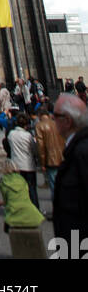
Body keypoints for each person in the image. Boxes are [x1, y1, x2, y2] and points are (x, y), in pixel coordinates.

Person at [51, 92, 88, 246]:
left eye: (55, 115)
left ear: (67, 121)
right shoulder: (75, 149)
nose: (52, 119)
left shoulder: (82, 152)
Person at [3, 111, 39, 210]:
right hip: (28, 165)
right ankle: (35, 208)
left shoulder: (11, 135)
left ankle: (19, 208)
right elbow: (34, 149)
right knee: (31, 189)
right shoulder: (28, 136)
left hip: (16, 165)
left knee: (18, 189)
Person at [34, 101, 65, 201]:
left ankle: (58, 210)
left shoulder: (39, 126)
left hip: (50, 159)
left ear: (39, 115)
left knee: (53, 186)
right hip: (62, 158)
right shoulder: (58, 124)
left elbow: (40, 146)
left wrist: (42, 163)